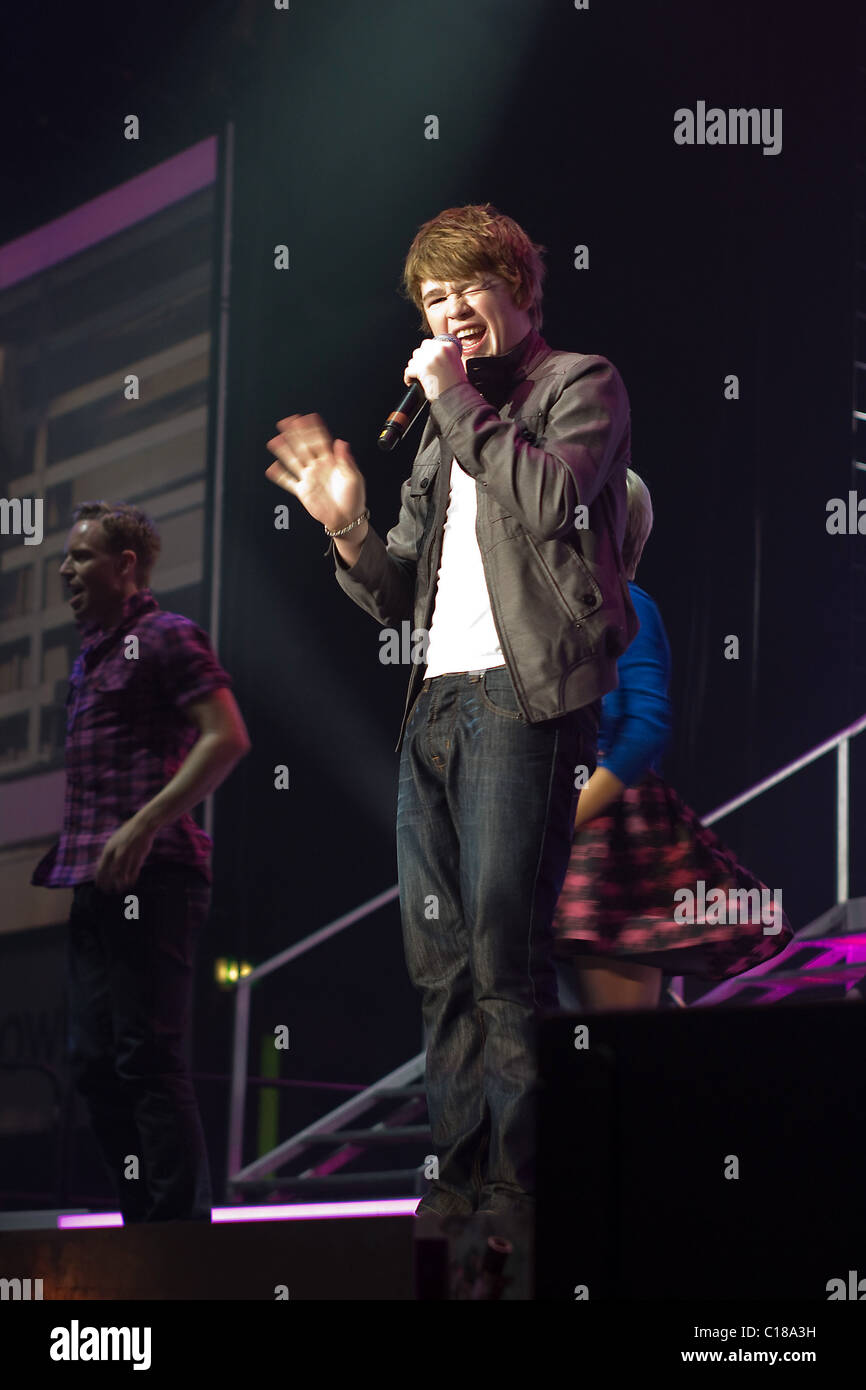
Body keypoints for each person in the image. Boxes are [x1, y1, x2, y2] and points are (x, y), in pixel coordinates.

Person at [265, 204, 638, 1220]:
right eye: (431, 299)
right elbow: (395, 595)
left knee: (501, 958)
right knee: (438, 970)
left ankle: (524, 1198)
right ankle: (459, 1194)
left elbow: (551, 497)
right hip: (431, 705)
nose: (447, 309)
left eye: (465, 287)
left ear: (517, 288)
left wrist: (458, 400)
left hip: (522, 700)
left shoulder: (579, 384)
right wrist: (346, 529)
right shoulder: (442, 426)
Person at [33, 501, 250, 1222]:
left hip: (157, 878)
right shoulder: (89, 659)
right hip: (93, 883)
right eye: (66, 557)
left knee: (147, 1059)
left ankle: (178, 1244)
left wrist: (146, 823)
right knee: (95, 1067)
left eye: (82, 556)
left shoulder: (165, 635)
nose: (65, 568)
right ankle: (143, 1231)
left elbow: (226, 737)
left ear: (126, 566)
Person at [553, 470, 794, 1009]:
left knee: (618, 1032)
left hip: (609, 827)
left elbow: (645, 729)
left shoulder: (630, 605)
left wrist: (565, 819)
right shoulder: (538, 614)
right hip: (554, 821)